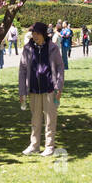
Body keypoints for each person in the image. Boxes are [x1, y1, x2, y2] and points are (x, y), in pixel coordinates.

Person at [20, 21, 65, 155]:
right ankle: (34, 145)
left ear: (44, 34)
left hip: (50, 88)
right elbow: (22, 69)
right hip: (34, 89)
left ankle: (49, 146)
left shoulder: (52, 48)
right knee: (35, 119)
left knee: (50, 119)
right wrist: (22, 91)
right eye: (33, 33)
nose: (35, 36)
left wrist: (59, 87)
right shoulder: (28, 48)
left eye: (38, 33)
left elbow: (60, 67)